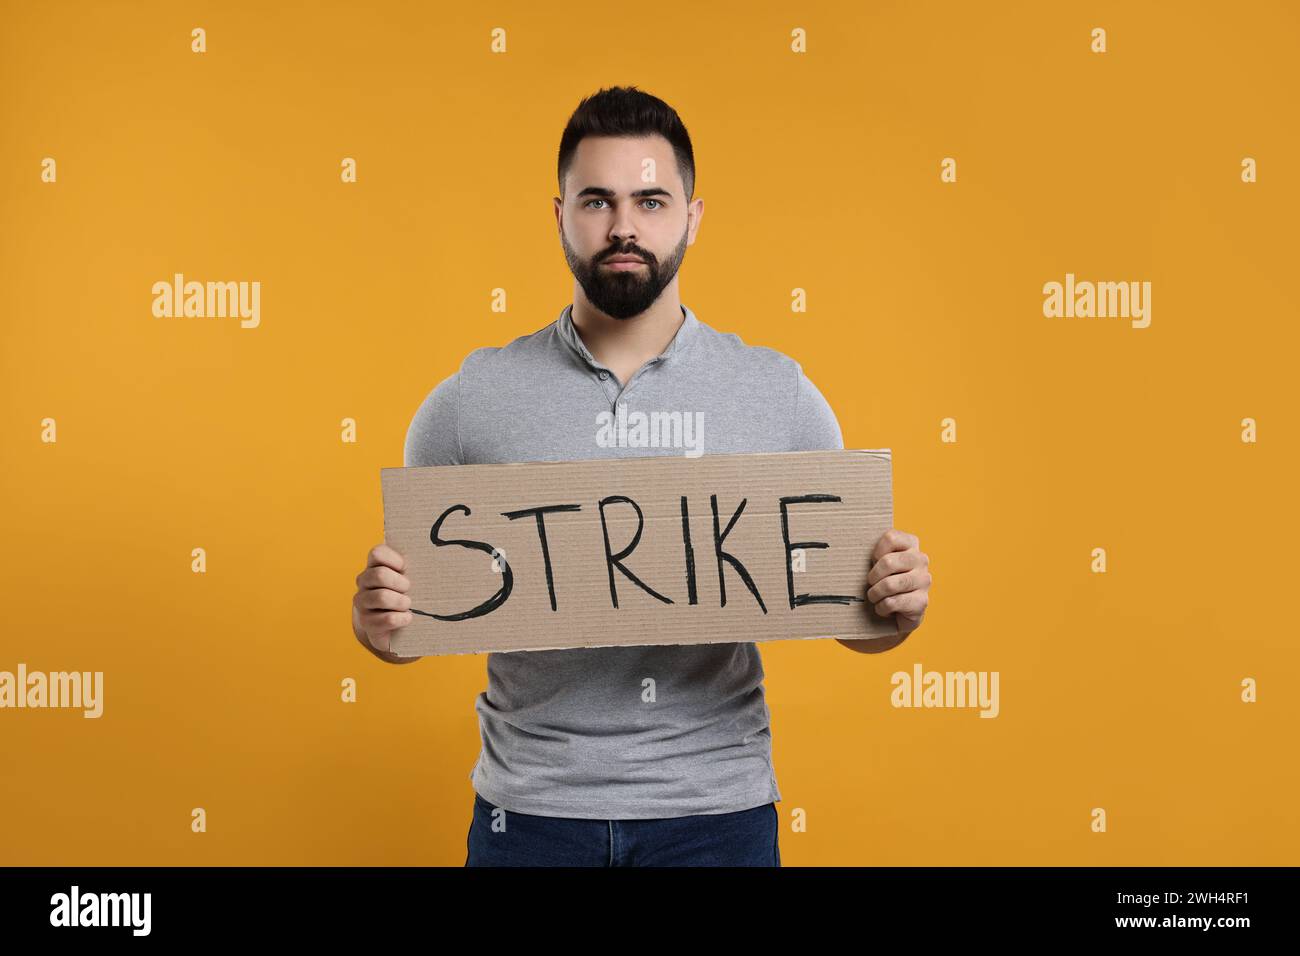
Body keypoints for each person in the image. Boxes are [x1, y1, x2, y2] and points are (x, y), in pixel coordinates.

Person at [350, 86, 932, 866]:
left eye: (651, 200)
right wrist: (378, 626)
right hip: (528, 815)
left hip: (715, 814)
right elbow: (413, 627)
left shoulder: (778, 394)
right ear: (560, 214)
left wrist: (891, 609)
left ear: (693, 216)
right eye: (598, 201)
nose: (624, 226)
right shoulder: (470, 401)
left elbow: (844, 614)